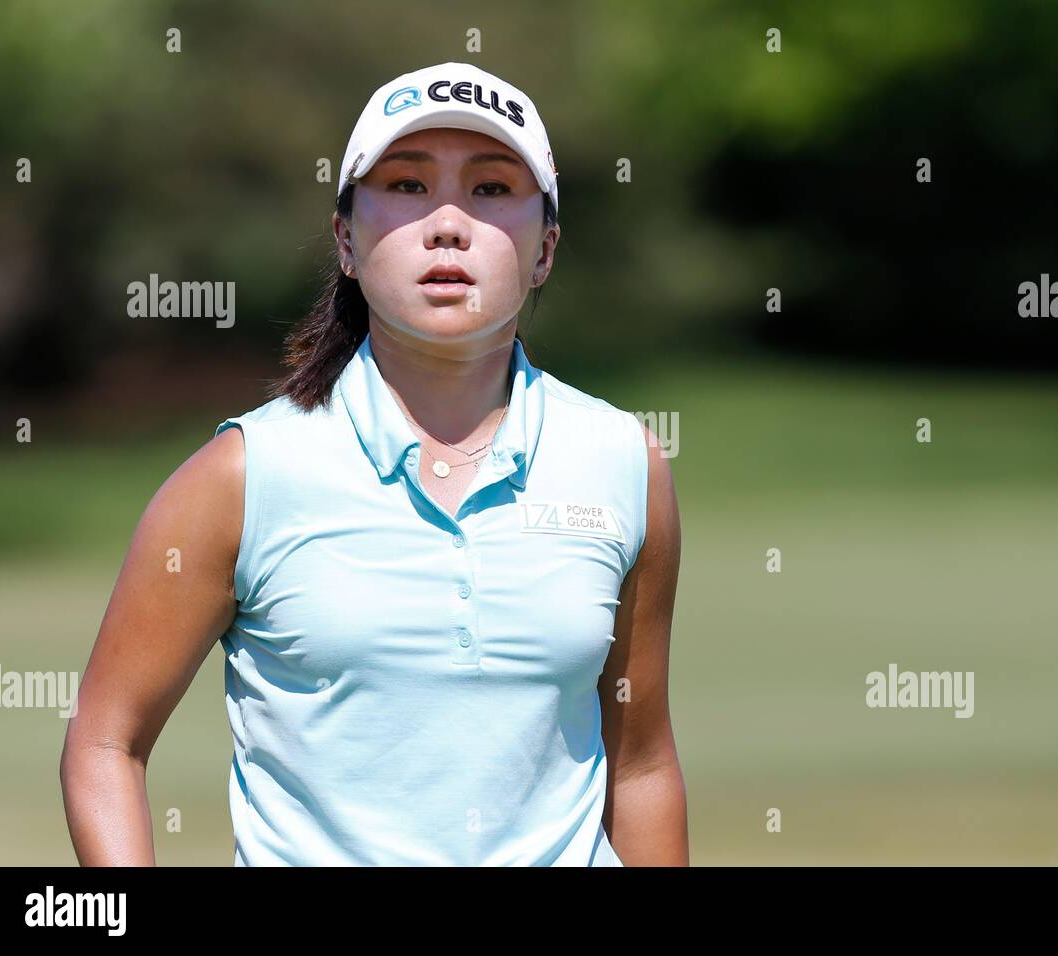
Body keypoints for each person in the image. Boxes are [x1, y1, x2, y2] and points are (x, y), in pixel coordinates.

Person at [60, 61, 686, 866]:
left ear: (546, 250)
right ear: (346, 240)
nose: (449, 224)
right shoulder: (245, 475)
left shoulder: (623, 463)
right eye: (407, 185)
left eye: (492, 190)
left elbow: (640, 767)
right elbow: (106, 744)